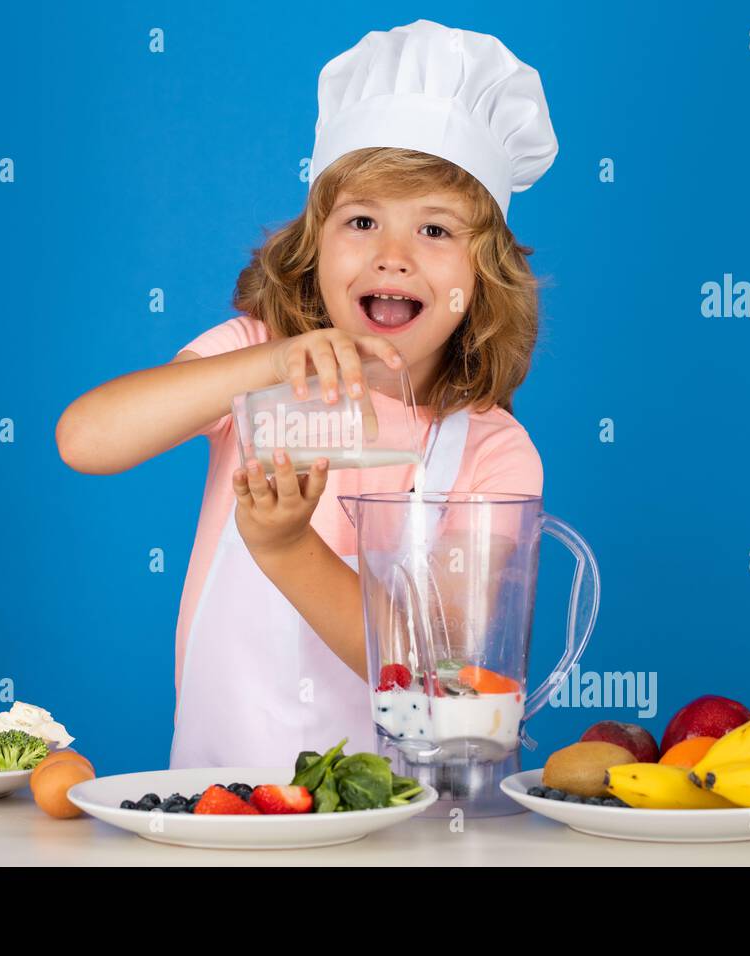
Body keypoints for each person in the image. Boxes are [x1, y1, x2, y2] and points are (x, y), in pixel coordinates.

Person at [56, 20, 560, 768]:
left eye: (434, 229)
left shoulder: (493, 453)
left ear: (484, 278)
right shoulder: (254, 360)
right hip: (221, 813)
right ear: (313, 249)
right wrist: (263, 365)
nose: (392, 256)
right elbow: (86, 439)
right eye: (361, 221)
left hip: (403, 831)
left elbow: (437, 675)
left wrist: (289, 550)